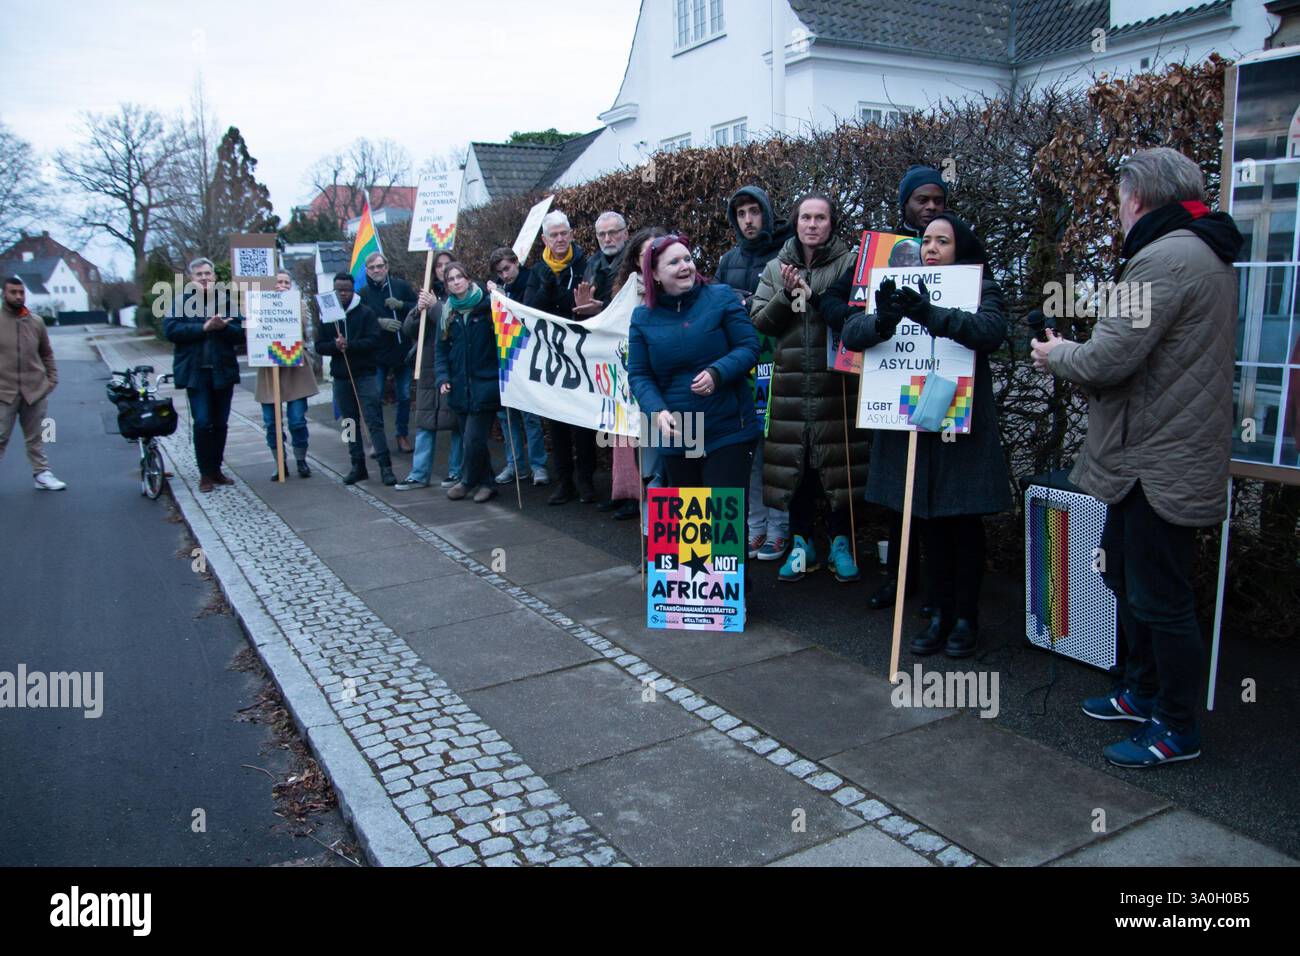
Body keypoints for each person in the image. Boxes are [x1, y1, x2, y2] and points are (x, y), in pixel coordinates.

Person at [1032, 147, 1242, 768]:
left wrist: (1057, 355)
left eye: (1120, 198)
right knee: (1127, 576)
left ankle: (1177, 729)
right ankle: (1140, 691)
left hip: (1157, 464)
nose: (1118, 211)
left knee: (1160, 598)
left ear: (1139, 199)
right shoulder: (1198, 250)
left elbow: (1107, 360)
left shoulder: (1160, 260)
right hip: (1154, 458)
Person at [841, 213, 1011, 658]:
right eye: (927, 240)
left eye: (943, 240)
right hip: (911, 423)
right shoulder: (896, 287)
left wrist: (931, 313)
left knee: (963, 523)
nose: (932, 247)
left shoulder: (981, 288)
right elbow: (851, 333)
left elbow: (990, 331)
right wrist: (885, 319)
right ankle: (937, 613)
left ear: (961, 249)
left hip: (959, 425)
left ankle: (965, 618)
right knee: (927, 521)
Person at [751, 193, 869, 583]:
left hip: (838, 386)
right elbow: (761, 324)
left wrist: (814, 295)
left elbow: (860, 318)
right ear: (796, 222)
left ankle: (840, 543)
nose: (813, 224)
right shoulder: (775, 267)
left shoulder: (851, 264)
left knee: (838, 468)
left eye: (821, 217)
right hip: (789, 386)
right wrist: (787, 295)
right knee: (795, 470)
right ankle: (802, 544)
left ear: (831, 223)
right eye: (806, 217)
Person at [628, 234, 760, 516]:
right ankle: (696, 563)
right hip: (678, 433)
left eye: (687, 258)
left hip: (727, 429)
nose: (685, 266)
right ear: (655, 274)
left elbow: (749, 347)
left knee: (725, 532)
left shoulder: (721, 296)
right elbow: (639, 375)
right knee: (694, 534)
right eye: (674, 262)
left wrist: (717, 373)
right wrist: (656, 411)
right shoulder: (641, 318)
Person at [868, 165, 951, 612]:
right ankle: (898, 580)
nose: (931, 207)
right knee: (898, 500)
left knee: (936, 499)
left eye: (938, 200)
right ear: (905, 205)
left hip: (939, 390)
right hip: (895, 384)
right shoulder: (884, 253)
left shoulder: (959, 249)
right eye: (922, 200)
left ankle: (938, 593)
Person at [716, 185, 793, 562]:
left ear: (766, 212)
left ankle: (779, 528)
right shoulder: (728, 259)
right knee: (747, 449)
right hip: (739, 367)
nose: (748, 220)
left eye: (754, 211)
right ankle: (754, 525)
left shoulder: (785, 253)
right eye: (741, 213)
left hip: (774, 365)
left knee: (773, 449)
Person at [524, 210, 596, 505]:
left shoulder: (586, 264)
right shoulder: (537, 270)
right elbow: (528, 311)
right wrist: (546, 290)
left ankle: (586, 481)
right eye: (553, 235)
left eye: (564, 233)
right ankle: (564, 481)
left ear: (572, 234)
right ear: (544, 239)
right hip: (552, 361)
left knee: (583, 424)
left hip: (582, 358)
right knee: (557, 424)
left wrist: (559, 299)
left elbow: (586, 304)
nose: (559, 239)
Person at [164, 257, 244, 493]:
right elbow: (170, 330)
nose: (204, 278)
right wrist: (203, 328)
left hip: (222, 372)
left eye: (208, 274)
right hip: (195, 374)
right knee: (202, 422)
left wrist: (224, 327)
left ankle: (217, 469)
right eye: (199, 275)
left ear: (215, 277)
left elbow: (240, 332)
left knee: (220, 423)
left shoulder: (226, 301)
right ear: (191, 278)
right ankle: (205, 473)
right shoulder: (180, 303)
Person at [315, 272, 394, 485]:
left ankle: (385, 466)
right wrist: (335, 346)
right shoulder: (327, 314)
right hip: (341, 376)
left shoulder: (365, 313)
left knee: (374, 420)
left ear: (353, 290)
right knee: (349, 422)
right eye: (338, 290)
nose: (342, 294)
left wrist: (350, 345)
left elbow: (374, 341)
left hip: (365, 374)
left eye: (346, 290)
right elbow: (319, 345)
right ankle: (357, 464)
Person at [435, 261, 499, 503]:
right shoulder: (447, 312)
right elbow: (441, 350)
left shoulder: (486, 304)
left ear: (468, 278)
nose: (455, 282)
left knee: (473, 438)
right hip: (459, 386)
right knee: (471, 439)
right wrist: (443, 377)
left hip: (485, 383)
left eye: (459, 277)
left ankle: (467, 480)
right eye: (450, 279)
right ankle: (487, 482)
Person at [487, 246, 548, 487]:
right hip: (506, 359)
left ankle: (538, 465)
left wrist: (503, 297)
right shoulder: (502, 289)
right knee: (507, 418)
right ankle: (515, 464)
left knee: (530, 417)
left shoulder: (530, 281)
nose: (505, 274)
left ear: (516, 262)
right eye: (500, 272)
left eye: (507, 268)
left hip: (527, 358)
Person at [0, 276, 65, 490]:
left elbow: (46, 353)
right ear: (4, 293)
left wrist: (51, 379)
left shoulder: (36, 321)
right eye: (13, 292)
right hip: (4, 392)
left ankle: (41, 474)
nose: (18, 296)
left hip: (34, 390)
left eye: (21, 292)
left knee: (36, 437)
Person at [257, 270, 319, 481]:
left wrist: (285, 305)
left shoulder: (298, 304)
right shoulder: (258, 304)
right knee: (271, 422)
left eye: (285, 282)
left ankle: (301, 459)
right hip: (269, 369)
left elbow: (302, 328)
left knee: (297, 420)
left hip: (294, 369)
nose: (281, 286)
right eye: (278, 282)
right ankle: (279, 463)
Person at [395, 287, 456, 490]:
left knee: (455, 422)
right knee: (424, 420)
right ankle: (419, 473)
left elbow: (449, 323)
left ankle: (456, 471)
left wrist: (434, 306)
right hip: (428, 365)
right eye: (438, 266)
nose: (441, 269)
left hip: (450, 364)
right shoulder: (427, 294)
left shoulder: (457, 298)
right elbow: (409, 330)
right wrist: (416, 311)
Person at [358, 252, 418, 455]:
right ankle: (378, 439)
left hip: (402, 351)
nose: (376, 270)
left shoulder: (400, 286)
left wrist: (402, 305)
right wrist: (379, 323)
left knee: (403, 396)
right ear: (367, 270)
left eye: (379, 266)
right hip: (377, 354)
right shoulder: (364, 293)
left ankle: (402, 434)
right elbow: (361, 320)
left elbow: (419, 307)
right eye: (372, 267)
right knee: (375, 398)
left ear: (387, 266)